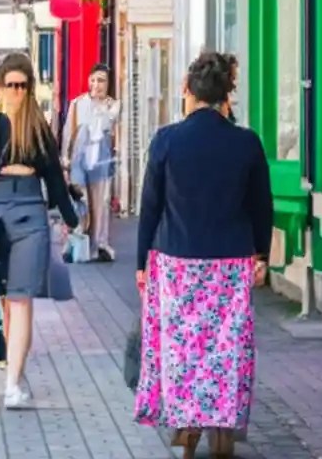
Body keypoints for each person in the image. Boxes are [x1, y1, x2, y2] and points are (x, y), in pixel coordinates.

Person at [134, 51, 273, 459]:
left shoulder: (166, 141)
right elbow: (260, 206)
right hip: (230, 262)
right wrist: (260, 255)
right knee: (225, 349)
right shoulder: (246, 143)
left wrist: (142, 262)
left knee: (183, 349)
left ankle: (186, 426)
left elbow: (151, 206)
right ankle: (224, 429)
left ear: (187, 90)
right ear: (225, 95)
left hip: (177, 260)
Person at [0, 52, 80, 410]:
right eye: (12, 85)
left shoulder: (39, 127)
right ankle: (14, 373)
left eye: (24, 86)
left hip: (30, 216)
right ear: (0, 86)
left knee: (22, 300)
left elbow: (54, 177)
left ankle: (12, 383)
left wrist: (72, 221)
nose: (18, 92)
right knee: (7, 304)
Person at [61, 63, 120, 262]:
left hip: (101, 159)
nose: (97, 85)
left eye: (101, 80)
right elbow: (68, 133)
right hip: (79, 158)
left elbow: (112, 131)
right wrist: (65, 161)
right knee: (80, 200)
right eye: (94, 80)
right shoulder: (77, 104)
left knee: (100, 203)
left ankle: (99, 244)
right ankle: (77, 240)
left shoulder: (113, 106)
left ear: (108, 83)